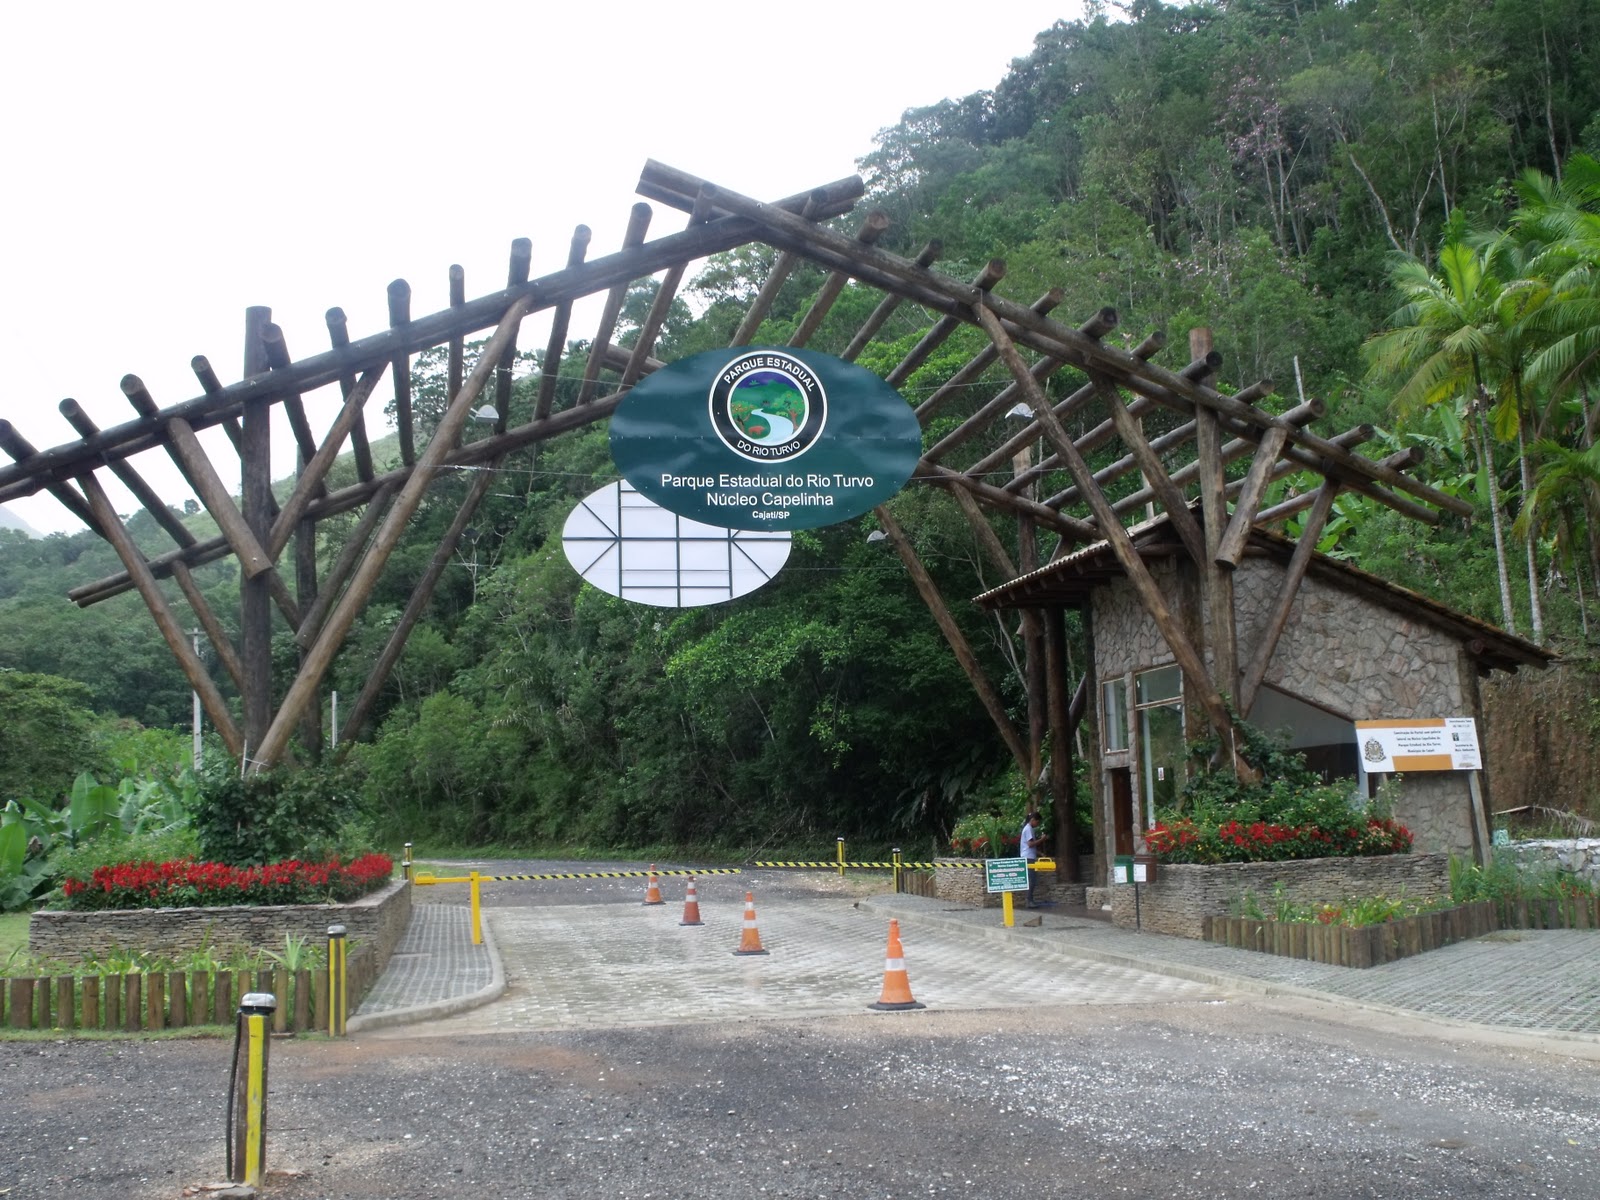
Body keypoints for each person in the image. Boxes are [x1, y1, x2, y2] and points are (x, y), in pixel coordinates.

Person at [1019, 811, 1043, 908]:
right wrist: (1042, 839)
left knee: (1032, 879)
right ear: (1033, 820)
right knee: (1031, 880)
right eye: (1037, 822)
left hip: (1029, 856)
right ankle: (1029, 901)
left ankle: (1030, 900)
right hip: (1028, 858)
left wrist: (1040, 853)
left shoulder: (1028, 829)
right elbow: (1030, 844)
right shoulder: (1028, 829)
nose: (1037, 824)